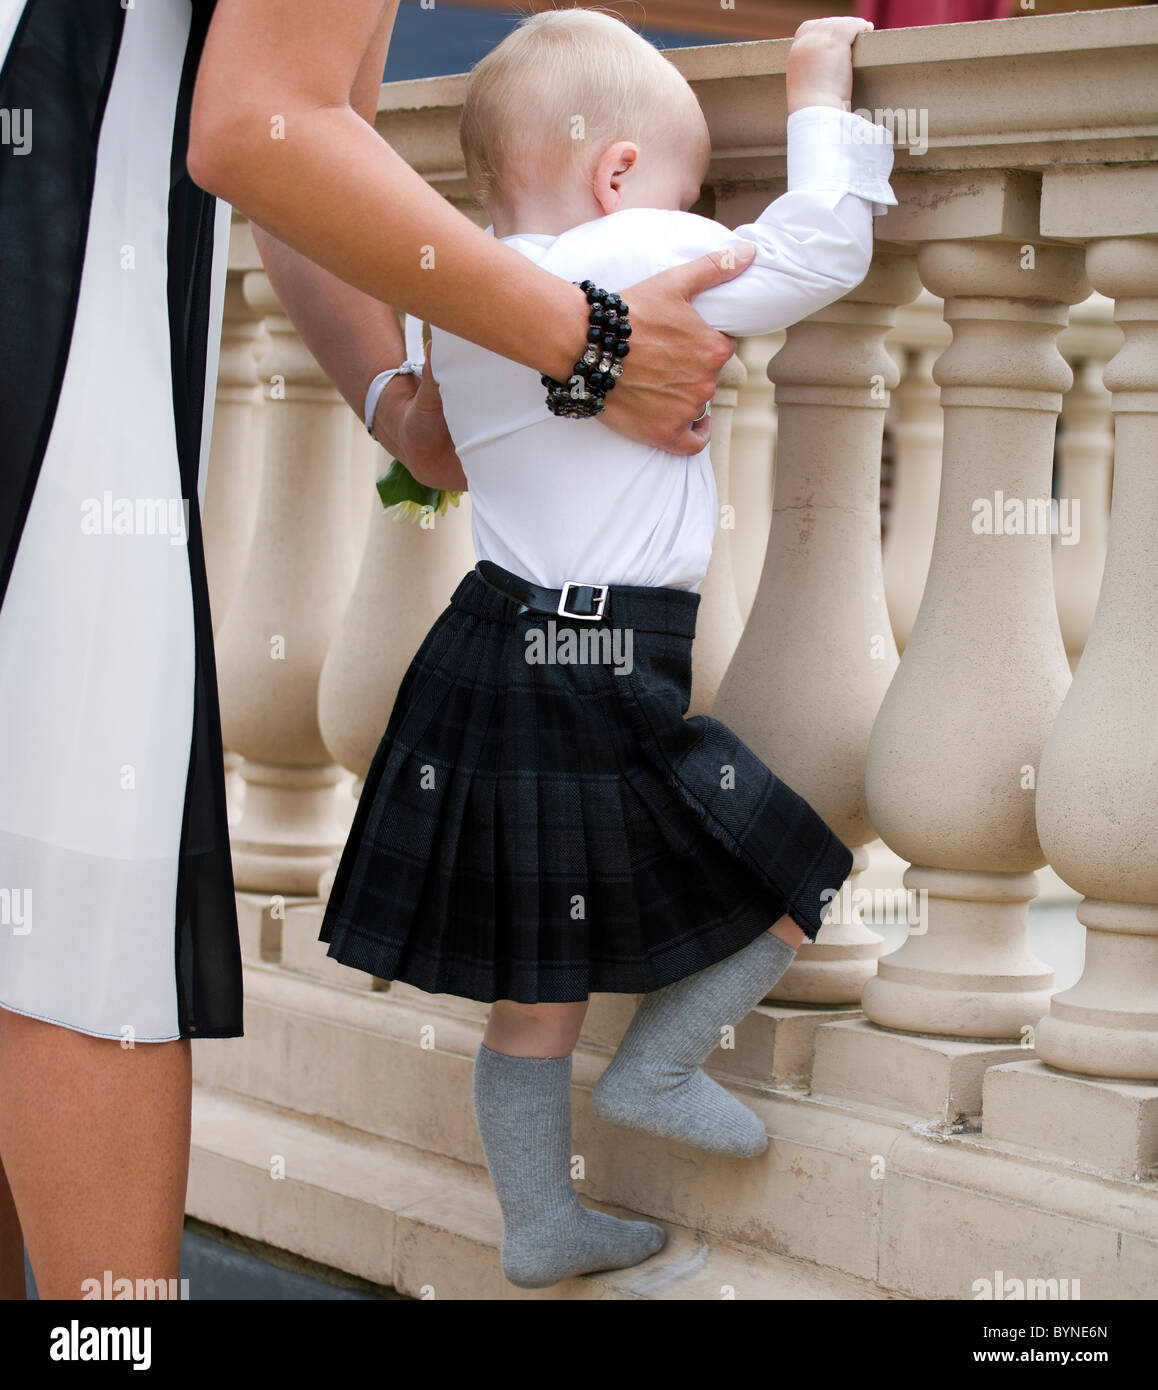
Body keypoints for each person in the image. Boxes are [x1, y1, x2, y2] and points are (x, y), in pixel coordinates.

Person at [0, 0, 759, 1300]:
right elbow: (261, 126)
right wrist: (590, 339)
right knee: (85, 915)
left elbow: (302, 132)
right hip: (57, 337)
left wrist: (398, 404)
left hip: (65, 306)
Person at [318, 11, 896, 1289]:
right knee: (794, 867)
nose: (698, 215)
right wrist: (818, 93)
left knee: (537, 983)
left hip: (492, 641)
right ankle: (659, 1068)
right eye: (691, 190)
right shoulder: (637, 243)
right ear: (619, 171)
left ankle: (539, 1221)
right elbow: (822, 251)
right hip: (602, 659)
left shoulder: (464, 297)